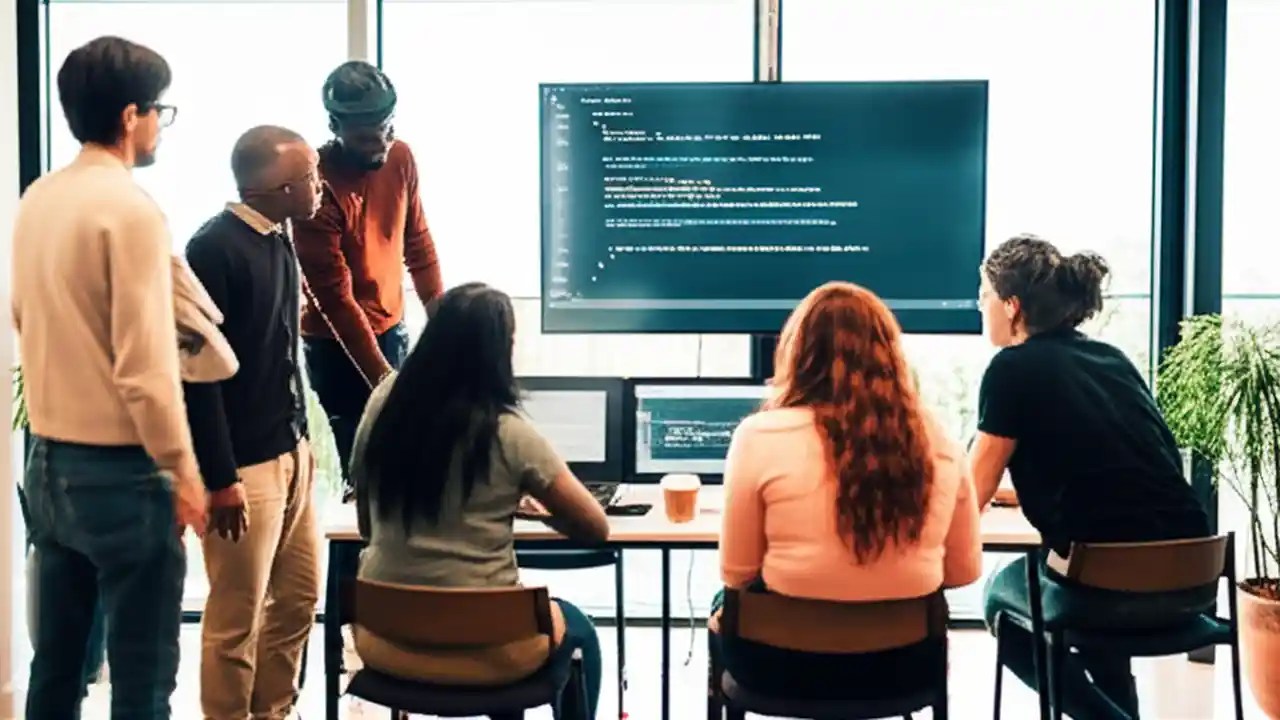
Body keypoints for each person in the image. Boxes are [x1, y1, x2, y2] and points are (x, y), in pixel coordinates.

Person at [11, 35, 207, 719]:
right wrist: (185, 474)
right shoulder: (130, 211)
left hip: (47, 463)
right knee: (142, 682)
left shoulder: (38, 200)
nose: (160, 126)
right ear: (131, 117)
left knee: (57, 670)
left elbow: (21, 317)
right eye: (160, 111)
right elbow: (146, 368)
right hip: (121, 477)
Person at [971, 235, 1212, 720]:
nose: (980, 304)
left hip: (1105, 582)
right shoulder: (1111, 359)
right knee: (1097, 577)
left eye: (985, 294)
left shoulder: (1011, 369)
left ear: (1012, 306)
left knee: (1001, 599)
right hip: (1194, 574)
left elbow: (967, 496)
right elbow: (1116, 465)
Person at [711, 281, 983, 701]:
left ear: (797, 354)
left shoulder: (757, 435)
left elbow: (737, 570)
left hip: (778, 668)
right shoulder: (939, 438)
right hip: (903, 667)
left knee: (727, 603)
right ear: (890, 354)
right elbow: (962, 573)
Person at [349, 283, 608, 717]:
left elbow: (366, 525)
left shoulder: (383, 404)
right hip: (491, 654)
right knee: (574, 627)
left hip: (384, 642)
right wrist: (532, 507)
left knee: (498, 620)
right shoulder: (509, 432)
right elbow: (594, 527)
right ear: (498, 350)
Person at [182, 125, 324, 720]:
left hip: (292, 454)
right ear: (282, 188)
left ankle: (274, 712)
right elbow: (197, 376)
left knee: (298, 599)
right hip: (243, 466)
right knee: (235, 618)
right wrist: (220, 479)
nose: (320, 188)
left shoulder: (279, 239)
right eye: (312, 178)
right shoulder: (213, 250)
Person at [294, 60, 442, 500]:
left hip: (392, 328)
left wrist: (446, 324)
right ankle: (352, 568)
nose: (380, 144)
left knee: (406, 462)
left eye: (387, 128)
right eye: (365, 137)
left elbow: (417, 240)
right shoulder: (316, 186)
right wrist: (383, 380)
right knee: (365, 476)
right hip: (336, 346)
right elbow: (334, 300)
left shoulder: (401, 157)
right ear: (335, 125)